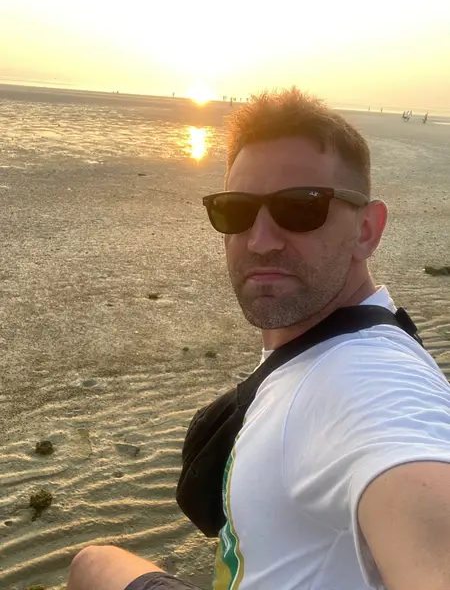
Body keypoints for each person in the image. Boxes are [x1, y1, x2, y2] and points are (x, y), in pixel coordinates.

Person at [67, 89, 450, 590]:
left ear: (367, 230)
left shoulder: (370, 381)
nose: (260, 241)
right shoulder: (321, 343)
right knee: (93, 565)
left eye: (301, 208)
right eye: (236, 210)